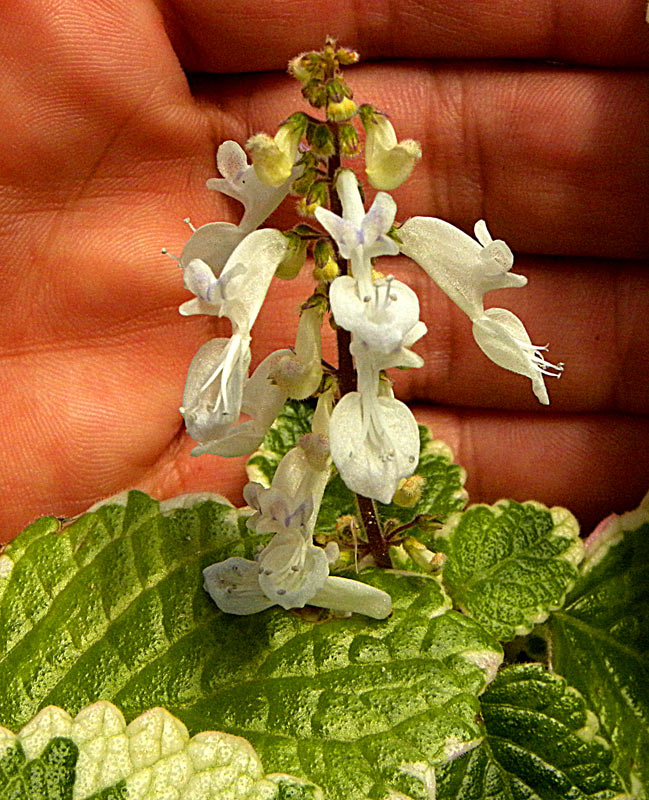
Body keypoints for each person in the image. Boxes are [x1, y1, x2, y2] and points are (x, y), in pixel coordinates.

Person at [1, 0, 648, 543]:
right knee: (289, 372)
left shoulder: (395, 255)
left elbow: (384, 219)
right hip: (330, 371)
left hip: (366, 365)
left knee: (363, 370)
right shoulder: (271, 259)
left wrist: (447, 284)